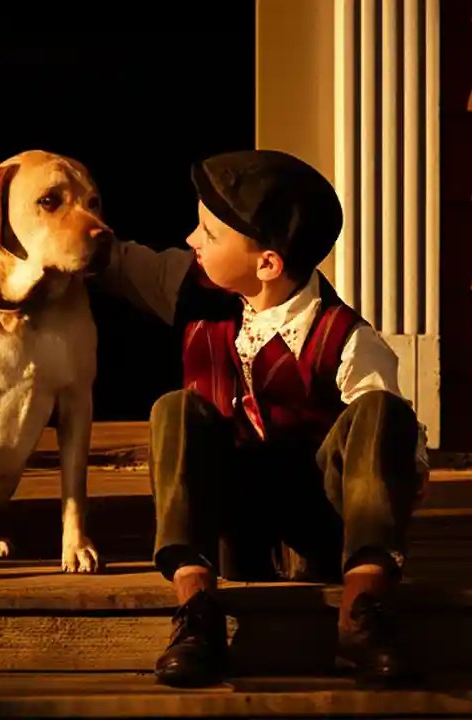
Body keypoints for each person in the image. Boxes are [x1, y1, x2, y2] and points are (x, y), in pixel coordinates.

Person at [90, 149, 428, 688]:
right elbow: (120, 261)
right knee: (175, 408)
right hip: (236, 531)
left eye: (209, 233)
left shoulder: (347, 340)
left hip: (322, 531)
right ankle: (198, 613)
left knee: (381, 412)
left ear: (267, 264)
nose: (192, 240)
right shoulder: (193, 291)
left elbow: (391, 452)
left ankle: (361, 615)